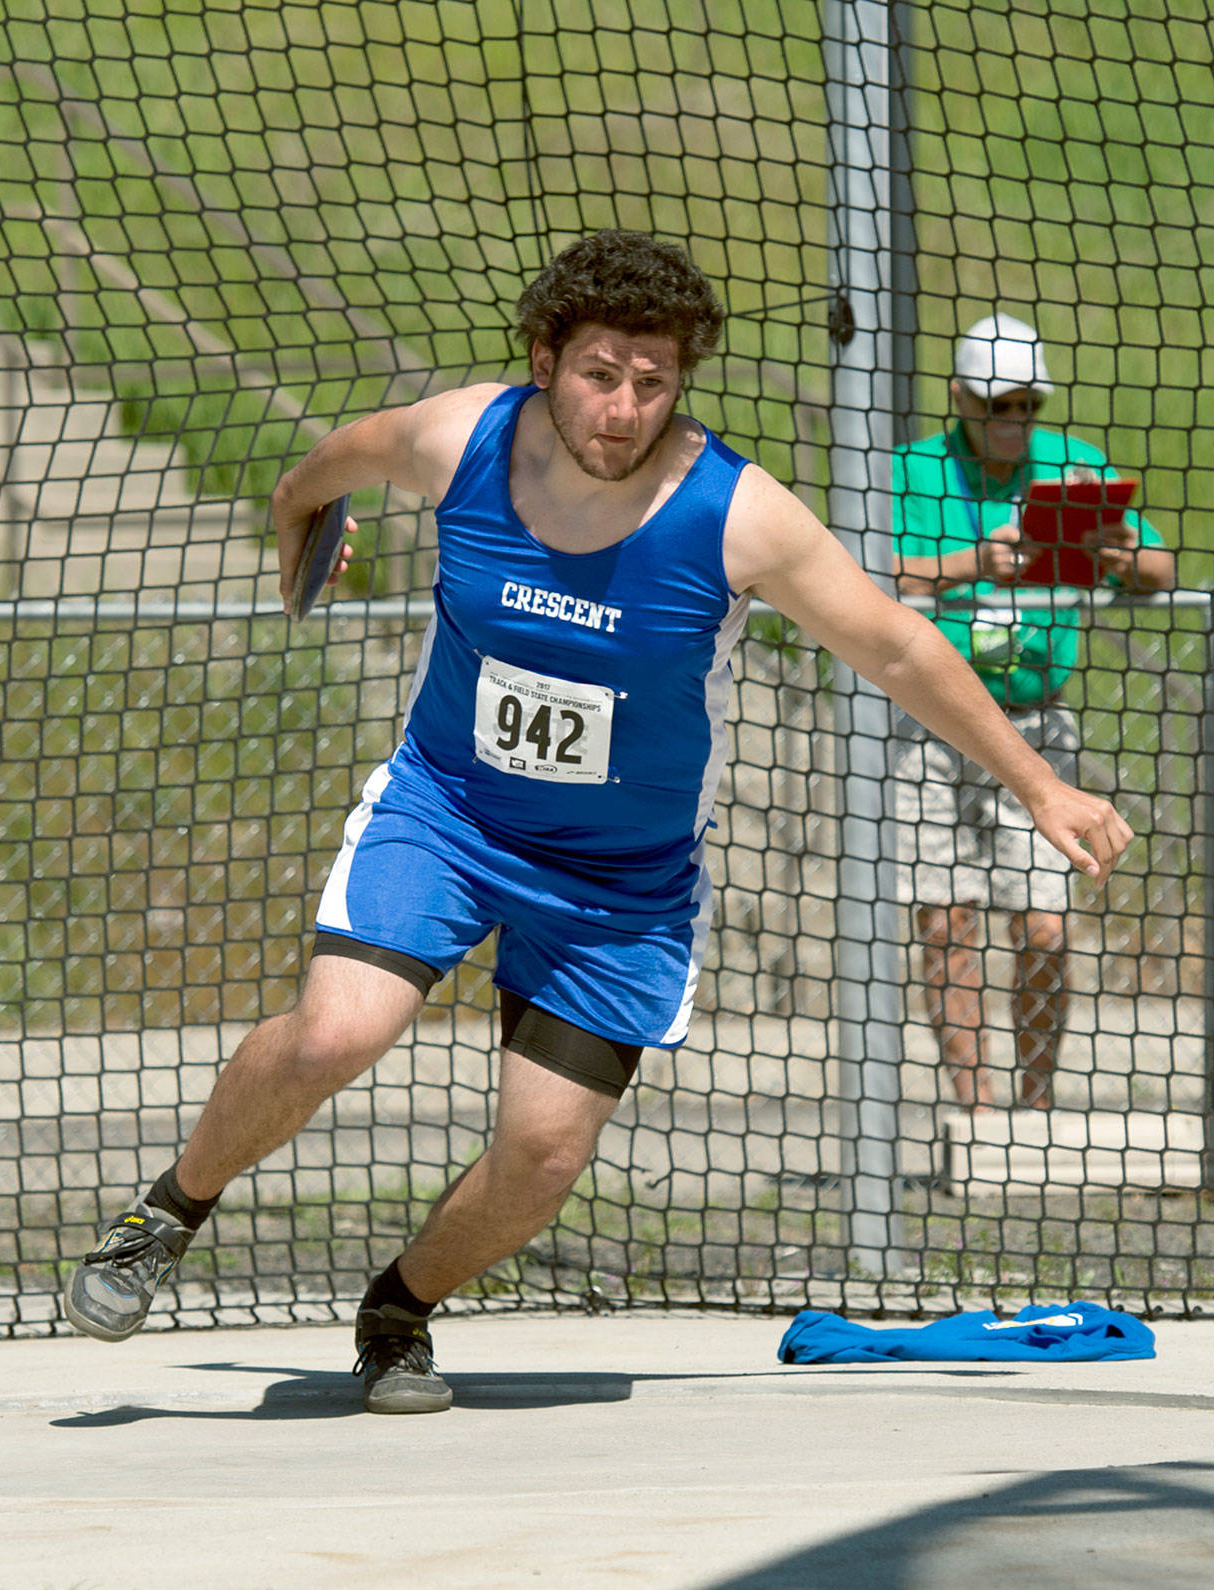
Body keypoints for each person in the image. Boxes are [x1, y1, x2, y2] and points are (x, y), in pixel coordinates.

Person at [63, 236, 1134, 1414]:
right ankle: (166, 1213)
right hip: (448, 813)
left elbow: (893, 643)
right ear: (543, 361)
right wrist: (297, 527)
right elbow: (318, 471)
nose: (621, 409)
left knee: (543, 1157)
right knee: (333, 1033)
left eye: (652, 381)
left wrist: (1039, 786)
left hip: (620, 882)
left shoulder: (735, 513)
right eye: (598, 375)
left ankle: (398, 1309)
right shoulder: (458, 435)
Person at [891, 313, 1173, 1112]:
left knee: (1043, 924)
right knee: (947, 921)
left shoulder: (1074, 471)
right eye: (995, 405)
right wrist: (968, 565)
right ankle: (978, 1111)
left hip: (1038, 724)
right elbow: (860, 572)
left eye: (1025, 406)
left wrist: (1121, 553)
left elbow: (1162, 566)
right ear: (959, 399)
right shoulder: (909, 470)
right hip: (931, 722)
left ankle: (1036, 1110)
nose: (1012, 422)